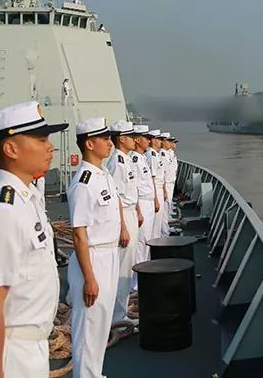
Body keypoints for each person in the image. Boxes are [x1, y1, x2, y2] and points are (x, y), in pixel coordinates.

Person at [0, 100, 66, 378]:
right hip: (11, 354)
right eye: (41, 139)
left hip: (29, 349)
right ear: (11, 149)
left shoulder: (26, 198)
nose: (49, 146)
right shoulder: (3, 211)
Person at [67, 117, 127, 376]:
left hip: (109, 254)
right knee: (89, 329)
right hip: (93, 259)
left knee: (101, 326)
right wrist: (89, 278)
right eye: (104, 139)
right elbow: (79, 234)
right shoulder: (84, 182)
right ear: (89, 144)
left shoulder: (103, 176)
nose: (109, 142)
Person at [107, 120, 142, 330]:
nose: (134, 140)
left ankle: (120, 311)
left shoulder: (125, 160)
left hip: (130, 213)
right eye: (130, 136)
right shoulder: (117, 163)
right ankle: (117, 317)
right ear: (121, 139)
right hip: (124, 217)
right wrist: (122, 227)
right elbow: (116, 198)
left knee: (126, 266)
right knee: (121, 268)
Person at [131, 126, 157, 284]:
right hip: (142, 202)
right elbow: (132, 187)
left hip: (148, 201)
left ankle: (146, 272)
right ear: (136, 139)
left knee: (146, 239)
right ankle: (137, 282)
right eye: (145, 137)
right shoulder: (134, 160)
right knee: (141, 242)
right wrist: (138, 210)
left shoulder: (141, 158)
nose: (149, 140)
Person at [147, 130, 165, 239]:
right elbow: (152, 178)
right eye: (158, 139)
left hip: (158, 188)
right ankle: (156, 244)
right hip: (155, 190)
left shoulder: (155, 154)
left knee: (158, 220)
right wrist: (156, 199)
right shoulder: (152, 155)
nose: (161, 142)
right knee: (156, 222)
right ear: (153, 140)